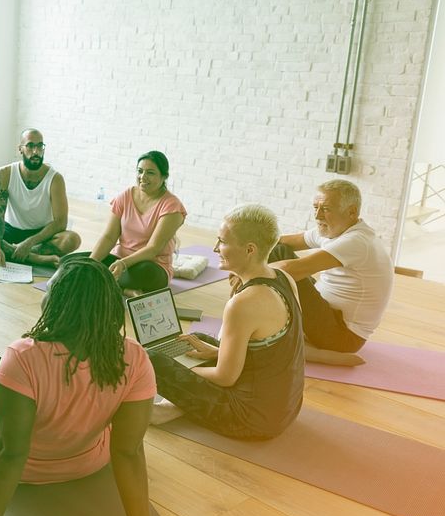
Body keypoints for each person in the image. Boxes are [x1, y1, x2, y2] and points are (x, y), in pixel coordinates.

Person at [0, 256, 195, 516]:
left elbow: (10, 451)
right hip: (86, 462)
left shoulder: (24, 355)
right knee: (10, 370)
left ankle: (7, 384)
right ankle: (13, 385)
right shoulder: (135, 357)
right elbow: (128, 451)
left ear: (56, 301)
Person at [150, 204, 305, 439]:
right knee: (197, 342)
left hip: (249, 419)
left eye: (222, 241)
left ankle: (159, 411)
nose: (215, 248)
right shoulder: (283, 277)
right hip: (286, 408)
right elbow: (272, 353)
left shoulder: (244, 303)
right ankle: (169, 410)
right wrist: (216, 352)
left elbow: (225, 377)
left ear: (249, 249)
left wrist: (182, 370)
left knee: (152, 361)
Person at [268, 179, 392, 366]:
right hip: (328, 317)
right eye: (315, 207)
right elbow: (280, 242)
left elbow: (290, 270)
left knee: (280, 271)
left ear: (352, 212)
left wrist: (243, 270)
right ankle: (292, 339)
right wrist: (247, 245)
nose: (318, 215)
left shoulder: (358, 241)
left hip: (342, 337)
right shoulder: (332, 229)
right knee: (276, 251)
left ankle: (292, 342)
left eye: (326, 209)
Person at [0, 128, 81, 267]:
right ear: (20, 149)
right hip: (10, 230)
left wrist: (29, 243)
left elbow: (60, 222)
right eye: (30, 146)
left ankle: (14, 253)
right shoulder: (5, 173)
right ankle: (33, 258)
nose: (36, 151)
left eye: (40, 146)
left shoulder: (55, 179)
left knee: (72, 239)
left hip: (41, 235)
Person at [88, 151, 186, 294]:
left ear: (164, 176)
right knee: (73, 261)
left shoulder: (172, 206)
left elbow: (153, 249)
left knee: (142, 273)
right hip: (119, 259)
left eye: (150, 173)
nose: (142, 177)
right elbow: (109, 237)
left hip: (151, 266)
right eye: (140, 171)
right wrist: (90, 263)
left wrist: (123, 263)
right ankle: (123, 288)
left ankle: (109, 283)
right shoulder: (125, 196)